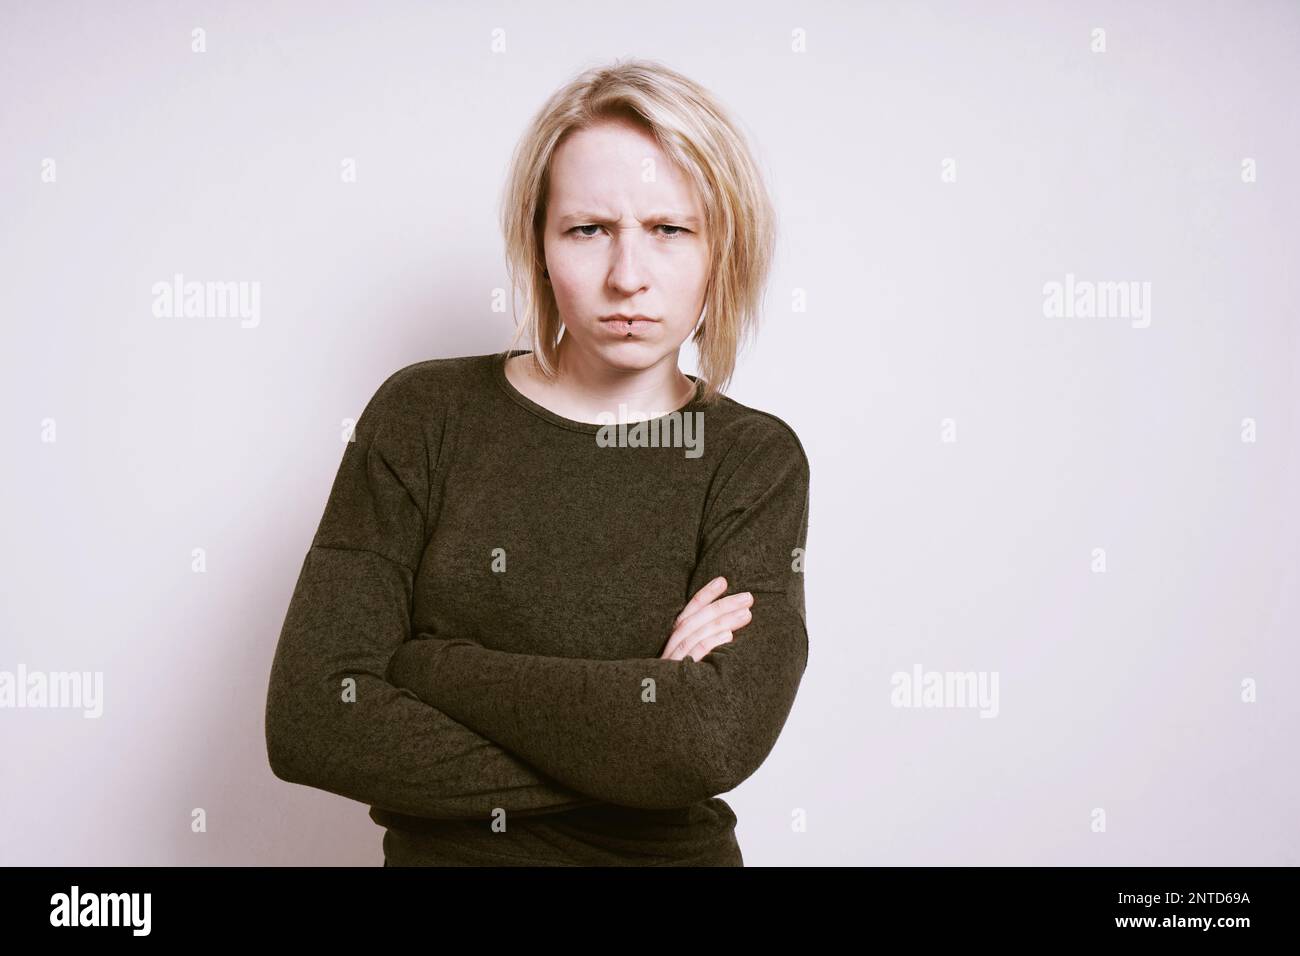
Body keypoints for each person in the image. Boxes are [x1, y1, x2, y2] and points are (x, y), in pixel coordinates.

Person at [264, 58, 810, 866]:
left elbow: (705, 738)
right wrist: (631, 744)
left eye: (670, 230)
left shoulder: (752, 459)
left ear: (720, 248)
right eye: (589, 230)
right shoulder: (425, 415)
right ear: (540, 243)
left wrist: (431, 667)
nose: (628, 277)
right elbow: (314, 719)